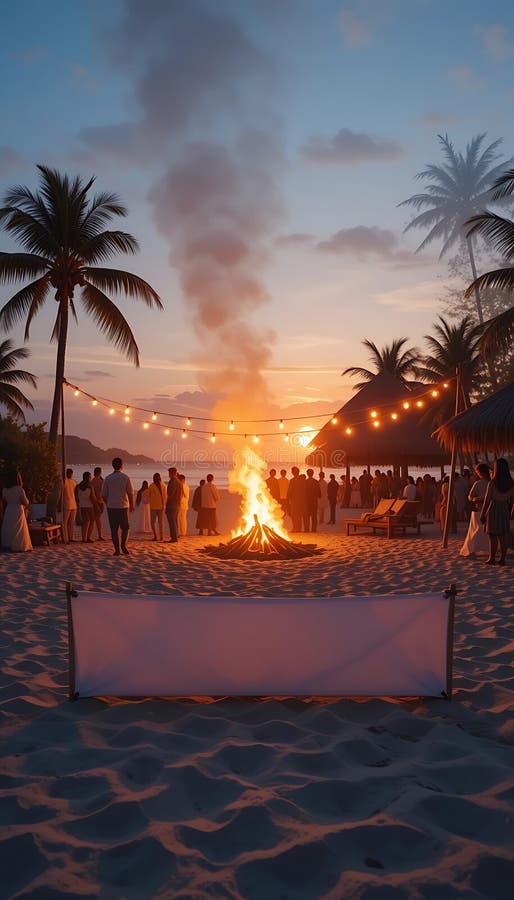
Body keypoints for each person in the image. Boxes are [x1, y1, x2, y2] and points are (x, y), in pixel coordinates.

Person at [480, 458, 514, 566]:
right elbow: (513, 501)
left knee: (493, 536)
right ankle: (502, 559)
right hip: (504, 509)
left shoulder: (492, 483)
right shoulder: (511, 483)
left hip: (493, 508)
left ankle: (492, 558)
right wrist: (512, 512)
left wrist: (483, 513)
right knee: (503, 536)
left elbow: (487, 499)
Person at [102, 457, 134, 556]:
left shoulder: (108, 478)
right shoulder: (125, 477)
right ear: (121, 465)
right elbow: (130, 493)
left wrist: (108, 503)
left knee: (114, 529)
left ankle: (117, 549)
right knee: (125, 528)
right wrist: (132, 505)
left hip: (111, 507)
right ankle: (123, 545)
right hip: (123, 506)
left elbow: (103, 495)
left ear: (113, 466)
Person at [460, 463, 490, 559]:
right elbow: (471, 496)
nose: (476, 473)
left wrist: (475, 499)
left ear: (481, 473)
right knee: (484, 530)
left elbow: (470, 496)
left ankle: (472, 549)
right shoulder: (490, 483)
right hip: (488, 509)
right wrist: (475, 499)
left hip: (481, 509)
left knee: (478, 529)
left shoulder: (479, 483)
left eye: (477, 472)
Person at [1, 470, 32, 552]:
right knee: (18, 529)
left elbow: (4, 500)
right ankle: (18, 546)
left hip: (9, 509)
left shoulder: (5, 490)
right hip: (17, 509)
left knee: (9, 527)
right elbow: (25, 502)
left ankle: (8, 544)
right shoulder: (19, 489)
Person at [76, 471, 97, 543]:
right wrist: (96, 505)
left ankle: (84, 538)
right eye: (90, 477)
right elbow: (92, 497)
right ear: (88, 477)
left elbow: (76, 497)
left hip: (82, 505)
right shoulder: (90, 486)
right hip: (89, 505)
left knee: (85, 522)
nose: (91, 478)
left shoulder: (78, 486)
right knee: (91, 521)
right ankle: (88, 537)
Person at [165, 467, 183, 543]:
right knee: (175, 521)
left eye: (169, 473)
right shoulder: (179, 482)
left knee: (172, 521)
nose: (169, 475)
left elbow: (170, 493)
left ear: (172, 473)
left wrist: (168, 499)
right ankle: (175, 537)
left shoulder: (173, 481)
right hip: (177, 504)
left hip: (172, 504)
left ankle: (174, 538)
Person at [148, 472, 167, 541]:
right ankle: (160, 536)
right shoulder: (163, 485)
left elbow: (148, 495)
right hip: (161, 506)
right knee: (160, 522)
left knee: (154, 522)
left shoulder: (152, 485)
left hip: (155, 506)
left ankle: (157, 536)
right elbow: (165, 497)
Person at [62, 468, 77, 544]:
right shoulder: (73, 482)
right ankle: (69, 537)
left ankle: (67, 538)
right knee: (70, 522)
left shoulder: (65, 482)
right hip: (72, 504)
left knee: (66, 522)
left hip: (68, 504)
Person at [287, 466, 304, 532]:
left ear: (293, 472)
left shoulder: (292, 480)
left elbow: (289, 491)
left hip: (294, 500)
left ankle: (295, 528)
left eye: (292, 471)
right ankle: (298, 528)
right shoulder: (301, 480)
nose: (292, 472)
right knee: (298, 515)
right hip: (300, 500)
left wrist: (288, 498)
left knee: (294, 515)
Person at [91, 467, 105, 540]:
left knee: (94, 519)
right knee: (98, 519)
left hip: (93, 502)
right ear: (100, 472)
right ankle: (99, 535)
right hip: (99, 501)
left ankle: (91, 535)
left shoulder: (92, 481)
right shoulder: (101, 481)